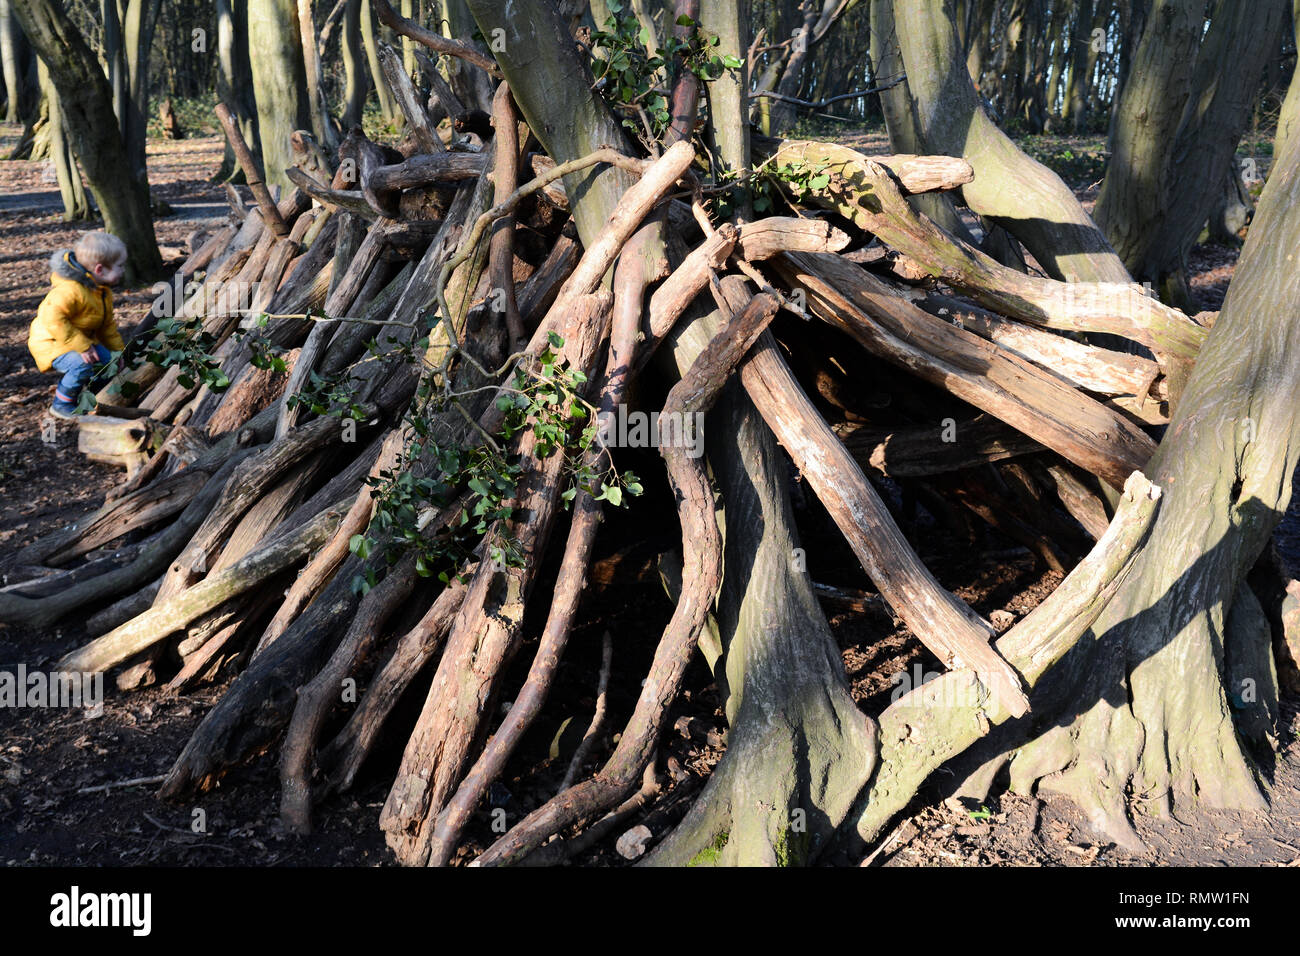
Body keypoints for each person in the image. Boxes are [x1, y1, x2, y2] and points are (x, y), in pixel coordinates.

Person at [27, 231, 127, 419]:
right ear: (99, 270)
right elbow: (53, 319)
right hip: (51, 342)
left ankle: (97, 397)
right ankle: (62, 403)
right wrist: (84, 346)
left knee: (108, 363)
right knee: (82, 365)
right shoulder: (70, 291)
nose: (123, 270)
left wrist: (118, 353)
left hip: (77, 341)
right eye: (119, 266)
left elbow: (107, 327)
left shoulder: (101, 292)